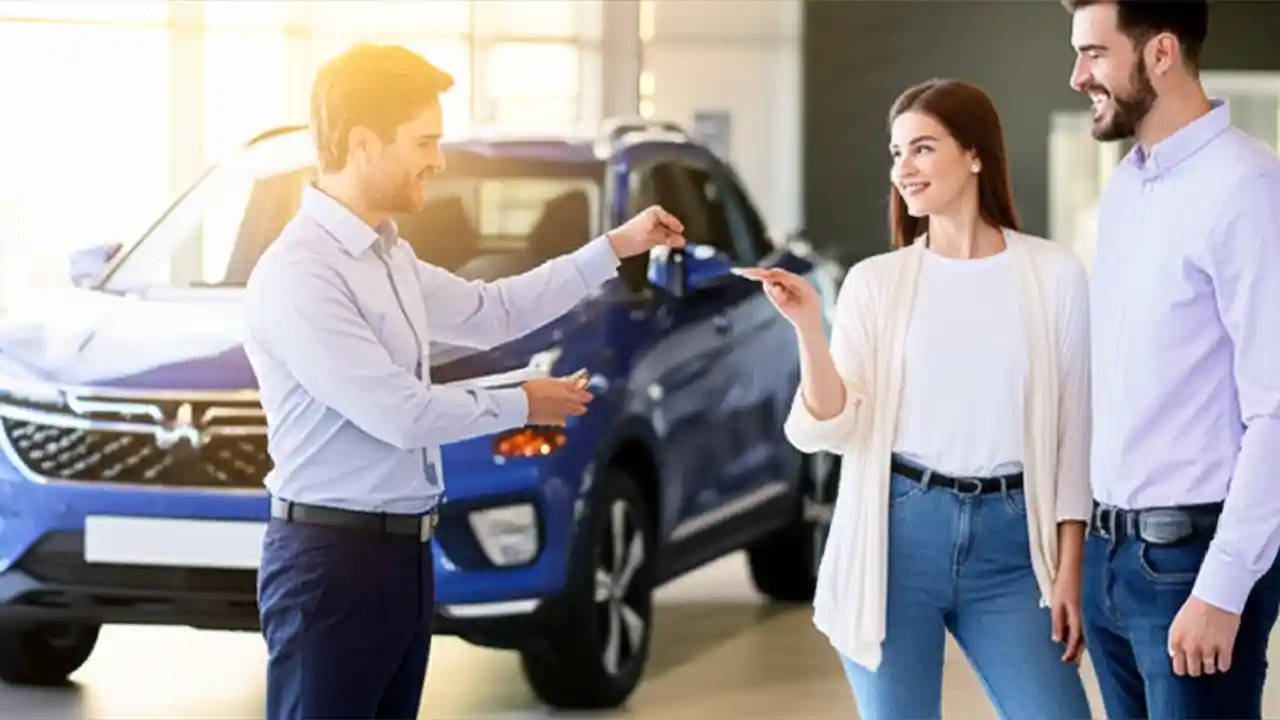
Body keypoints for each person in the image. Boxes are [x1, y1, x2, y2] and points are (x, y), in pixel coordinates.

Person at [243, 44, 685, 720]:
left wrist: (614, 248)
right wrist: (524, 402)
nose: (438, 160)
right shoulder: (303, 274)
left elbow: (493, 312)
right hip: (332, 566)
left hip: (401, 557)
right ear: (363, 144)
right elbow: (400, 413)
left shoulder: (387, 254)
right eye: (424, 141)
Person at [737, 78, 1094, 719]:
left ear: (975, 154)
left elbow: (1074, 435)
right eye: (896, 153)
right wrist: (809, 330)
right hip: (897, 537)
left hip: (1014, 547)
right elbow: (828, 427)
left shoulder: (1054, 275)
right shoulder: (879, 283)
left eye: (923, 148)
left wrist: (1070, 569)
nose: (904, 168)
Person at [1063, 1, 1280, 717]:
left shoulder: (1247, 188)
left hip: (1191, 563)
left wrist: (1222, 585)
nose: (1076, 75)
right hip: (1113, 557)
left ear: (1160, 53)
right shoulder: (1129, 183)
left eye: (1095, 53)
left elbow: (1277, 408)